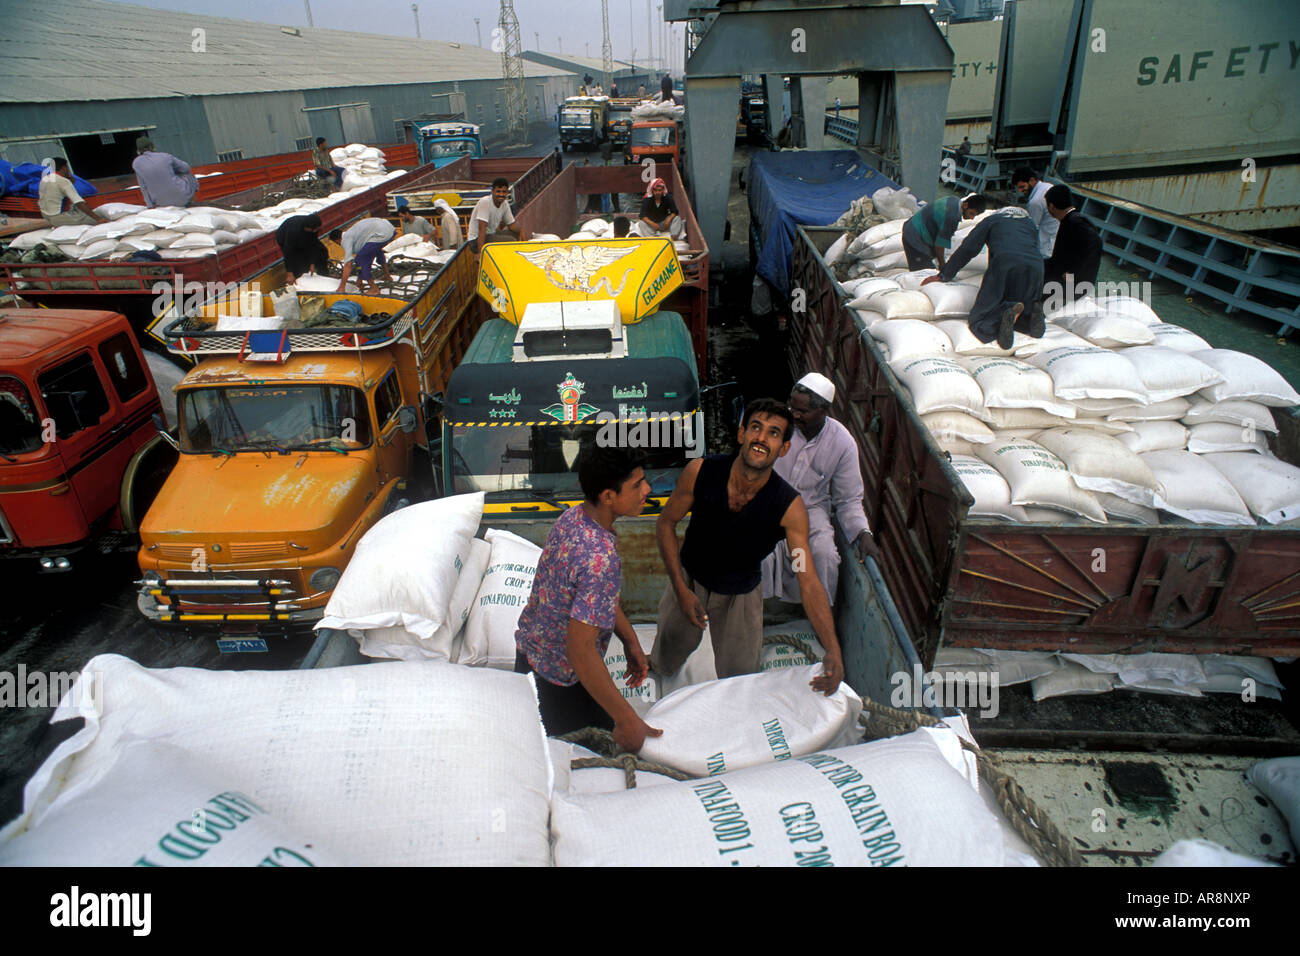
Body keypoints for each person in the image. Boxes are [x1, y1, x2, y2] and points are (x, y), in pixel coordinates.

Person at [651, 398, 845, 694]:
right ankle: (657, 677)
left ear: (784, 449)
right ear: (742, 434)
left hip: (740, 598)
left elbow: (806, 578)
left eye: (774, 433)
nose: (761, 438)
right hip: (690, 579)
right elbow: (666, 524)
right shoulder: (701, 471)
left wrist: (832, 649)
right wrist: (680, 589)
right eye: (756, 427)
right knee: (666, 653)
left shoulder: (789, 507)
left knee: (739, 681)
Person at [514, 445, 661, 752]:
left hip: (531, 660)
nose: (647, 489)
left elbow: (593, 600)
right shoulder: (599, 558)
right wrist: (627, 719)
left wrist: (631, 641)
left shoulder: (572, 518)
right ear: (608, 496)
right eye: (637, 485)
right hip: (560, 690)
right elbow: (580, 651)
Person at [761, 373, 877, 607]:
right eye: (792, 406)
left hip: (810, 510)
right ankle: (761, 612)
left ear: (824, 410)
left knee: (824, 556)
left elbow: (848, 500)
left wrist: (863, 533)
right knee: (760, 553)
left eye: (803, 411)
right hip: (768, 504)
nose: (795, 414)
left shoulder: (843, 443)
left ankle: (816, 613)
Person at [922, 206, 1045, 348]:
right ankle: (1031, 316)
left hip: (1005, 261)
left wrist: (945, 274)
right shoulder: (1030, 224)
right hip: (1037, 265)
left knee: (983, 314)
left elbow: (968, 249)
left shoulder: (991, 221)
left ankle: (1000, 319)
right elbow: (1036, 247)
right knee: (1023, 298)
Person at [1042, 184, 1101, 302]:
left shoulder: (1075, 222)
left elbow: (1095, 245)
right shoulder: (1072, 220)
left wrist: (1074, 274)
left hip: (1074, 285)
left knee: (1032, 289)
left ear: (1051, 206)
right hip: (1068, 278)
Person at [900, 193, 986, 271]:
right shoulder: (952, 217)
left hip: (912, 226)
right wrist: (942, 264)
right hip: (914, 237)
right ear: (965, 205)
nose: (972, 218)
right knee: (924, 273)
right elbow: (939, 246)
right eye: (972, 213)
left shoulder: (954, 199)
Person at [331, 217, 395, 293]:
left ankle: (374, 288)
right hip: (390, 229)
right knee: (376, 250)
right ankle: (387, 276)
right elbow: (366, 251)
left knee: (360, 259)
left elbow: (348, 264)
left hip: (381, 234)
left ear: (337, 240)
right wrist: (359, 280)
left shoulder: (345, 239)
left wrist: (342, 287)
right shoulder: (353, 233)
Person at [38, 158, 107, 227]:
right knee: (100, 216)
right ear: (64, 168)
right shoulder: (63, 181)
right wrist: (98, 219)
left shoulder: (45, 179)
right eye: (67, 167)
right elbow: (78, 202)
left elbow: (56, 191)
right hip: (59, 217)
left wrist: (71, 183)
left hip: (47, 216)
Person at [132, 137, 198, 208]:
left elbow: (143, 187)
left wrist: (150, 206)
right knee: (188, 175)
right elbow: (186, 168)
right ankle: (192, 202)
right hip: (182, 198)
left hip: (161, 203)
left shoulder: (136, 163)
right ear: (152, 147)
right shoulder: (165, 156)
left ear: (138, 151)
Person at [469, 177, 527, 251]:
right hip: (476, 240)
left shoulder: (505, 204)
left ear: (507, 192)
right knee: (511, 240)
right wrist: (481, 252)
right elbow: (482, 229)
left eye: (504, 192)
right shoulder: (485, 202)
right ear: (492, 191)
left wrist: (521, 231)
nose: (501, 194)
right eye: (498, 191)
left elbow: (511, 225)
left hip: (491, 234)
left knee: (516, 234)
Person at [1012, 166, 1057, 258]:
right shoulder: (1048, 186)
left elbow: (1031, 228)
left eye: (1022, 187)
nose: (1020, 191)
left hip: (1045, 249)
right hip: (1055, 242)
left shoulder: (1035, 202)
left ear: (1032, 180)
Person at [275, 213, 330, 283]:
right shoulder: (293, 232)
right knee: (300, 263)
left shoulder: (313, 226)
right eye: (315, 230)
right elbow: (288, 252)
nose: (316, 231)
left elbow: (313, 244)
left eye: (317, 229)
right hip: (285, 239)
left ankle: (324, 276)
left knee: (322, 251)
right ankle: (298, 280)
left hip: (305, 236)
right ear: (307, 228)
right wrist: (289, 273)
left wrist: (312, 263)